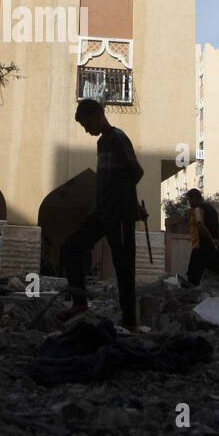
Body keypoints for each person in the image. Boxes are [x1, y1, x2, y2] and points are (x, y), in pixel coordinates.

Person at [58, 98, 143, 330]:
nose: (86, 131)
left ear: (98, 116)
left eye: (87, 125)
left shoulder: (117, 138)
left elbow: (137, 171)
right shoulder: (102, 143)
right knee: (71, 248)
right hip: (101, 214)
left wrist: (125, 201)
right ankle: (79, 304)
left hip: (120, 216)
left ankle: (129, 322)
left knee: (124, 268)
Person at [184, 189, 219, 287]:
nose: (189, 203)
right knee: (215, 271)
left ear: (195, 198)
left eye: (189, 200)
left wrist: (211, 240)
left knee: (193, 273)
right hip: (212, 247)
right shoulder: (212, 209)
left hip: (201, 246)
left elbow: (200, 225)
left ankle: (191, 295)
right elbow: (218, 227)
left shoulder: (197, 209)